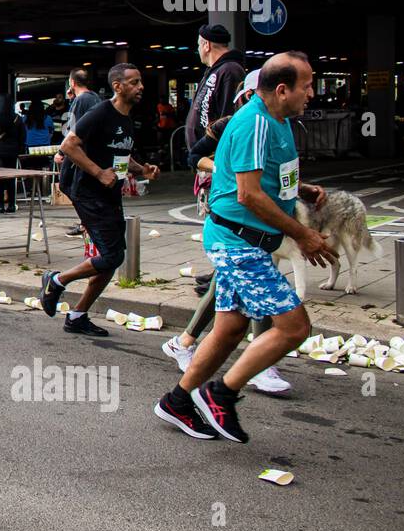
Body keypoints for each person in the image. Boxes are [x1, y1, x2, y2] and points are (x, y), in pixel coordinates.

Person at [155, 52, 335, 442]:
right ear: (282, 89)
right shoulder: (254, 122)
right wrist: (303, 235)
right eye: (307, 85)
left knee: (231, 327)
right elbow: (249, 195)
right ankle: (221, 395)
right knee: (294, 326)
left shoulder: (279, 120)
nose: (312, 93)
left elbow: (262, 178)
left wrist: (299, 190)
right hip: (237, 242)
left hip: (244, 239)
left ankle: (177, 402)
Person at [161, 69, 291, 395]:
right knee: (278, 312)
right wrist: (222, 166)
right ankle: (237, 376)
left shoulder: (276, 125)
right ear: (250, 95)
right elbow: (194, 156)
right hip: (235, 220)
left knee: (229, 303)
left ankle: (185, 368)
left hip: (254, 224)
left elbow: (276, 175)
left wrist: (299, 191)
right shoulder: (239, 124)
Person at [39, 63, 159, 335]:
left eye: (141, 82)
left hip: (108, 192)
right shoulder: (101, 112)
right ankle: (56, 281)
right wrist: (97, 172)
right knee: (112, 255)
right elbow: (68, 145)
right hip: (87, 191)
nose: (141, 87)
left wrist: (143, 170)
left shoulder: (126, 118)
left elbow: (120, 155)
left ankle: (78, 315)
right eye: (134, 82)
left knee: (111, 257)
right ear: (118, 86)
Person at [185, 23, 246, 149]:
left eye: (198, 45)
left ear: (206, 45)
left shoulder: (230, 70)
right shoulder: (214, 71)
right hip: (204, 158)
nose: (198, 50)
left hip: (216, 158)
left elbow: (229, 117)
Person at [56, 68, 100, 236]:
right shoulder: (94, 98)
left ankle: (87, 222)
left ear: (72, 83)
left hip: (78, 151)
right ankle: (88, 221)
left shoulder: (81, 101)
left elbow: (72, 127)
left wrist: (61, 152)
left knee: (68, 185)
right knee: (80, 188)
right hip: (91, 150)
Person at [0, 94, 25, 214]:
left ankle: (0, 205)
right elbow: (22, 136)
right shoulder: (17, 118)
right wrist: (18, 148)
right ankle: (12, 204)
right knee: (11, 178)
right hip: (13, 151)